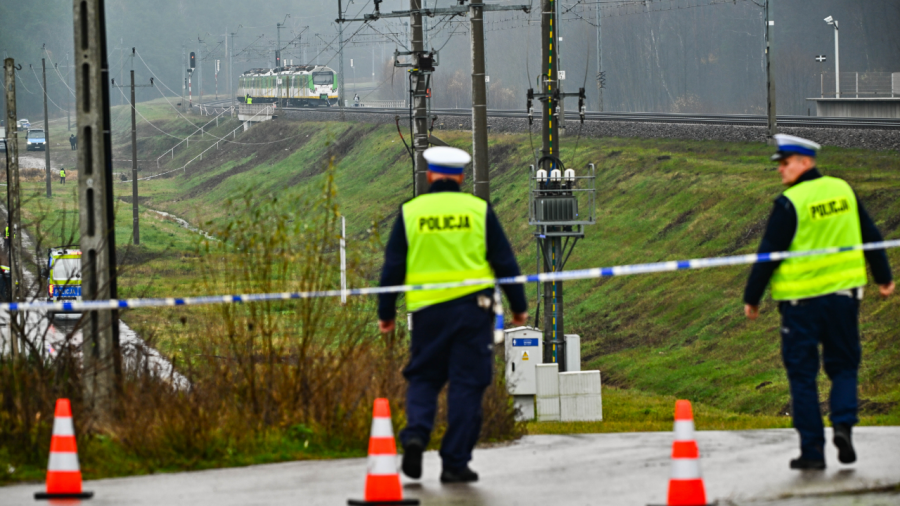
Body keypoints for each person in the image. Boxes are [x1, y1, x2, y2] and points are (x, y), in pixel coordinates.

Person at [744, 134, 894, 470]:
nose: (780, 169)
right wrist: (883, 277)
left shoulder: (790, 202)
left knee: (802, 375)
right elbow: (870, 234)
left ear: (805, 162)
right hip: (843, 300)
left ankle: (812, 452)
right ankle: (843, 426)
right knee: (844, 366)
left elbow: (769, 253)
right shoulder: (843, 190)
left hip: (801, 307)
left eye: (786, 163)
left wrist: (752, 297)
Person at [378, 146, 528, 484]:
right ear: (460, 177)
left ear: (431, 175)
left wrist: (386, 312)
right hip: (472, 313)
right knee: (467, 383)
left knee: (424, 377)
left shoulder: (411, 212)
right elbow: (504, 261)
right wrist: (518, 306)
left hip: (427, 313)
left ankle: (416, 435)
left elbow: (393, 267)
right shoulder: (478, 211)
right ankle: (455, 462)